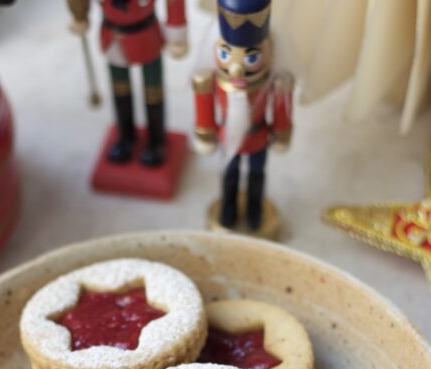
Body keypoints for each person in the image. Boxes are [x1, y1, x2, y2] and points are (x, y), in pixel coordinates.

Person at [193, 0, 293, 230]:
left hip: (258, 137)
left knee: (256, 174)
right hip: (228, 136)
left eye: (250, 58)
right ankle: (228, 209)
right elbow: (204, 106)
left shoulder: (272, 83)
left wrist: (282, 133)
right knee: (229, 173)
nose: (236, 69)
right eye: (225, 55)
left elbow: (281, 109)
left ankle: (254, 210)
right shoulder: (212, 81)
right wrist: (205, 133)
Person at [68, 0, 187, 167]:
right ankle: (125, 137)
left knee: (153, 91)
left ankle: (156, 141)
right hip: (113, 38)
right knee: (120, 89)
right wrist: (79, 14)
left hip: (146, 37)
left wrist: (176, 34)